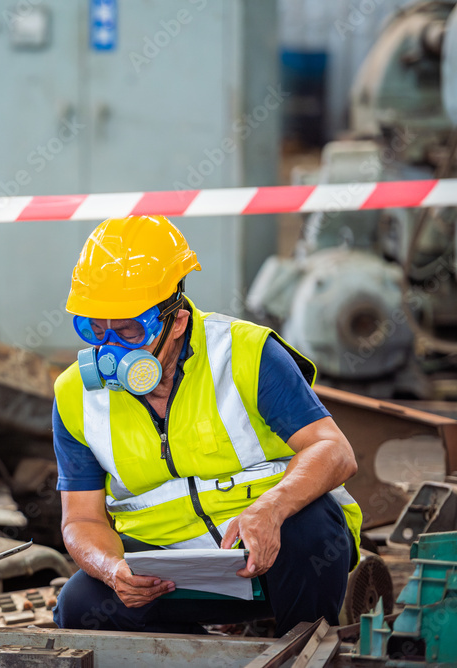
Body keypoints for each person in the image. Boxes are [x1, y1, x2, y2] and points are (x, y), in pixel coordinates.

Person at [51, 216, 363, 636]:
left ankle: (305, 648)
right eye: (94, 328)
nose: (109, 351)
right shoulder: (75, 394)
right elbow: (81, 521)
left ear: (176, 322)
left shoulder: (245, 352)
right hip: (172, 580)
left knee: (313, 528)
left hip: (271, 560)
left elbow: (334, 450)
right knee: (81, 604)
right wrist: (113, 570)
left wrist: (273, 508)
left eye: (128, 331)